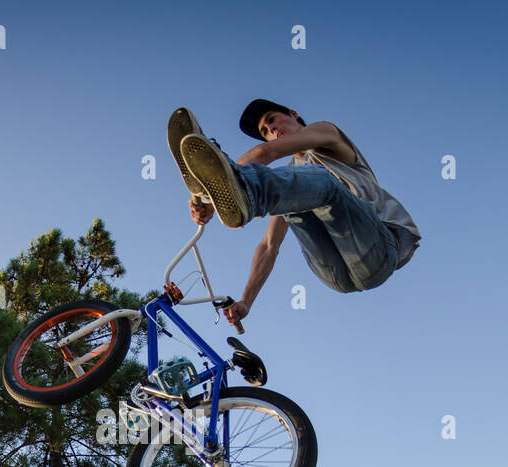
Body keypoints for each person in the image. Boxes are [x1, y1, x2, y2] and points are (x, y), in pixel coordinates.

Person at [168, 101, 421, 330]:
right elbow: (269, 246)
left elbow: (267, 153)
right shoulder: (293, 182)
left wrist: (215, 192)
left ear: (293, 114)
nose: (271, 131)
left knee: (322, 181)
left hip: (380, 249)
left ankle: (240, 185)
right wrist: (247, 301)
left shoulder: (327, 133)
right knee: (292, 199)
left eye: (272, 120)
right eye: (265, 132)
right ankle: (238, 188)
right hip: (336, 275)